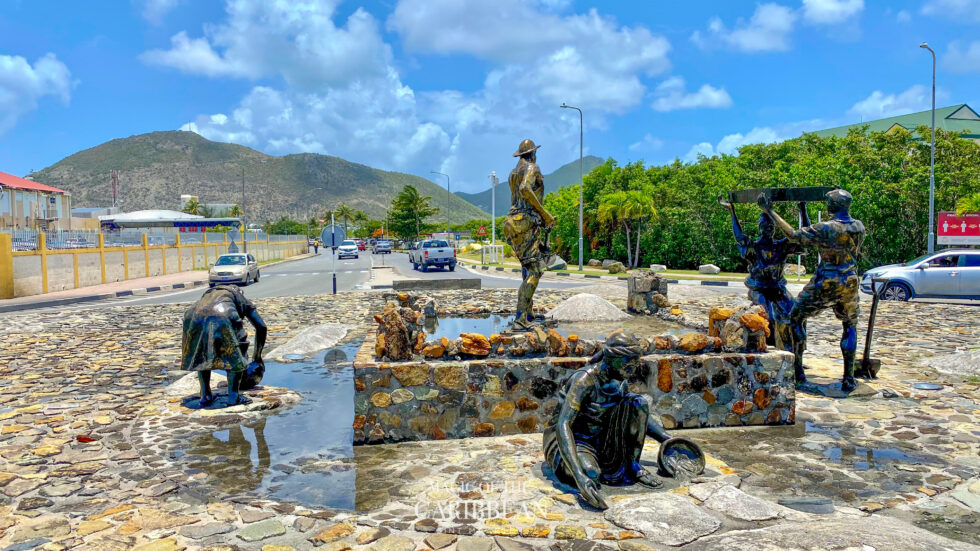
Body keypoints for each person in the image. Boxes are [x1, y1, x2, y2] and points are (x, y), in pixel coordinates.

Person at [543, 332, 669, 510]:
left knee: (637, 402)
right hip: (573, 441)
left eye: (636, 363)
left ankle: (632, 465)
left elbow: (636, 415)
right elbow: (563, 424)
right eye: (629, 363)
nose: (634, 368)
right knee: (591, 473)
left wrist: (667, 439)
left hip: (602, 440)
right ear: (611, 359)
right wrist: (579, 476)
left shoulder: (619, 381)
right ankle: (584, 470)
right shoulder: (584, 381)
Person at [759, 189, 865, 391]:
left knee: (795, 317)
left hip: (826, 280)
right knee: (850, 326)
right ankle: (848, 379)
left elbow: (794, 235)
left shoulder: (827, 227)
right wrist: (802, 209)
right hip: (849, 281)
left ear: (833, 206)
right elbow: (816, 235)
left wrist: (770, 210)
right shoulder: (858, 226)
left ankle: (798, 373)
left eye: (828, 203)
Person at [718, 196, 808, 350]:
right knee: (770, 316)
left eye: (771, 227)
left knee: (797, 314)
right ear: (759, 227)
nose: (768, 230)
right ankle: (775, 349)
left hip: (778, 290)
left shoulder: (781, 246)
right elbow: (739, 237)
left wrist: (802, 209)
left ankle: (795, 353)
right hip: (759, 290)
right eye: (764, 226)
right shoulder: (754, 248)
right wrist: (732, 211)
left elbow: (805, 237)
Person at [181, 284, 267, 406]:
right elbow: (261, 326)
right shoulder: (238, 296)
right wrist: (257, 357)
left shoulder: (209, 295)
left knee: (203, 352)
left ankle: (205, 395)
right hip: (223, 315)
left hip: (193, 315)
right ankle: (234, 396)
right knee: (236, 350)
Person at [503, 139, 555, 329]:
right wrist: (545, 214)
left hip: (511, 222)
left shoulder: (512, 173)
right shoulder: (532, 167)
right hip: (525, 222)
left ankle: (529, 313)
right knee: (535, 270)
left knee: (527, 267)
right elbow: (526, 189)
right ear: (533, 153)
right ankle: (521, 318)